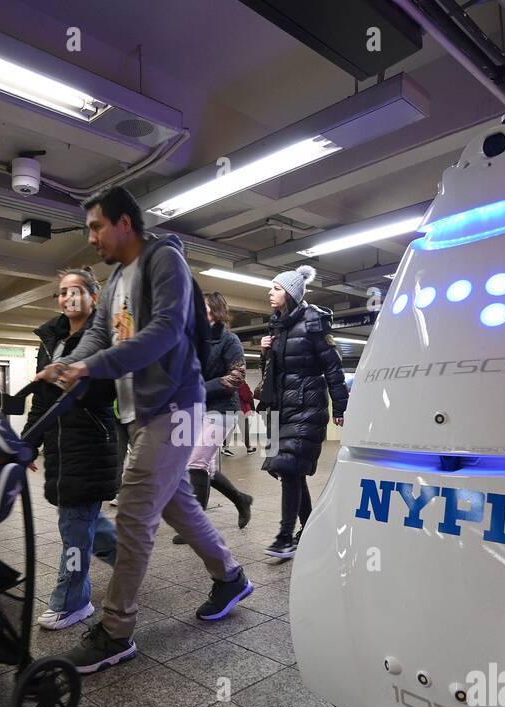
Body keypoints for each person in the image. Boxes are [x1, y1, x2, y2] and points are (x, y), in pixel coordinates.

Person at [35, 185, 253, 674]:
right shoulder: (114, 282)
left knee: (133, 511)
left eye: (96, 226)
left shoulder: (163, 262)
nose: (90, 237)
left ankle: (115, 631)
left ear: (124, 223)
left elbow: (165, 333)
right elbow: (97, 334)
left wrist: (92, 369)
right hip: (138, 413)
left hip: (175, 408)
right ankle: (231, 576)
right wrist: (64, 363)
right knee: (180, 506)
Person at [25, 268, 121, 630]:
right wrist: (29, 442)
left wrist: (65, 376)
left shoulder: (107, 337)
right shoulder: (51, 338)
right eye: (62, 292)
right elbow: (42, 400)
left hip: (91, 440)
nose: (68, 298)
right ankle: (128, 563)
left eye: (76, 291)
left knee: (74, 526)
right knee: (86, 521)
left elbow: (106, 391)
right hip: (60, 443)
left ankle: (73, 601)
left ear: (94, 297)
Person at [258, 264, 348, 560]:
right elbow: (273, 374)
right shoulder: (276, 325)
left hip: (308, 406)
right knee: (290, 472)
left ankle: (285, 537)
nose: (270, 293)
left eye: (277, 288)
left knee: (287, 467)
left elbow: (333, 368)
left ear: (292, 294)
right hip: (281, 409)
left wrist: (341, 406)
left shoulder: (313, 322)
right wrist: (264, 351)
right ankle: (310, 529)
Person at [174, 291, 252, 542]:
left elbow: (237, 377)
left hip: (223, 410)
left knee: (194, 463)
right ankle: (241, 499)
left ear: (217, 312)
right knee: (204, 467)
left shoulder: (230, 340)